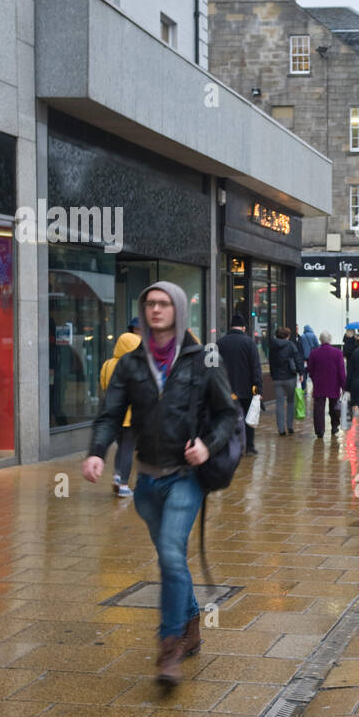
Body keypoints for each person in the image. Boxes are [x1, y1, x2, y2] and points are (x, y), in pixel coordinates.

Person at [83, 282, 237, 685]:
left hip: (186, 477)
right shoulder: (132, 363)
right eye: (149, 303)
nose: (155, 310)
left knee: (170, 554)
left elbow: (228, 414)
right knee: (172, 560)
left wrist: (207, 445)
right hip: (147, 481)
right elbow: (110, 415)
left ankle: (168, 648)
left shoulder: (204, 358)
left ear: (179, 310)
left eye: (164, 303)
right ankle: (190, 622)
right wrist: (98, 451)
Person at [99, 332, 141, 496]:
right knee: (128, 449)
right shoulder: (134, 366)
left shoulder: (108, 364)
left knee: (120, 446)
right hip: (130, 416)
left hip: (114, 415)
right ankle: (124, 485)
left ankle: (117, 476)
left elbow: (103, 385)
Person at [218, 314, 263, 454]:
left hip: (224, 389)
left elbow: (210, 366)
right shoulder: (250, 343)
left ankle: (229, 446)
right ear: (244, 327)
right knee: (249, 418)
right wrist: (258, 389)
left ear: (230, 326)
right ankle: (249, 446)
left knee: (226, 417)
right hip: (247, 388)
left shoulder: (219, 342)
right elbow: (256, 367)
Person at [307, 330, 346, 440]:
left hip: (319, 384)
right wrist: (344, 386)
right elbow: (341, 371)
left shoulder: (314, 353)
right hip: (334, 384)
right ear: (330, 340)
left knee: (319, 408)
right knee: (335, 406)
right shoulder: (338, 353)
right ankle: (334, 426)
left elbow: (310, 369)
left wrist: (314, 378)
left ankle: (320, 430)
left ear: (320, 340)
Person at [269, 326, 302, 436]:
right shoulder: (291, 345)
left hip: (277, 378)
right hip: (290, 377)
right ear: (287, 336)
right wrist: (301, 372)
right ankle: (290, 426)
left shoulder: (272, 346)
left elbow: (271, 361)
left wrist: (273, 374)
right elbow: (297, 359)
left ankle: (281, 429)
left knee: (279, 403)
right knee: (291, 401)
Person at [299, 325, 318, 391]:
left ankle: (303, 388)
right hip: (313, 358)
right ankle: (315, 387)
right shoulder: (313, 335)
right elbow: (317, 346)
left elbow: (300, 348)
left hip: (304, 359)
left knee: (304, 373)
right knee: (314, 373)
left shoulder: (302, 337)